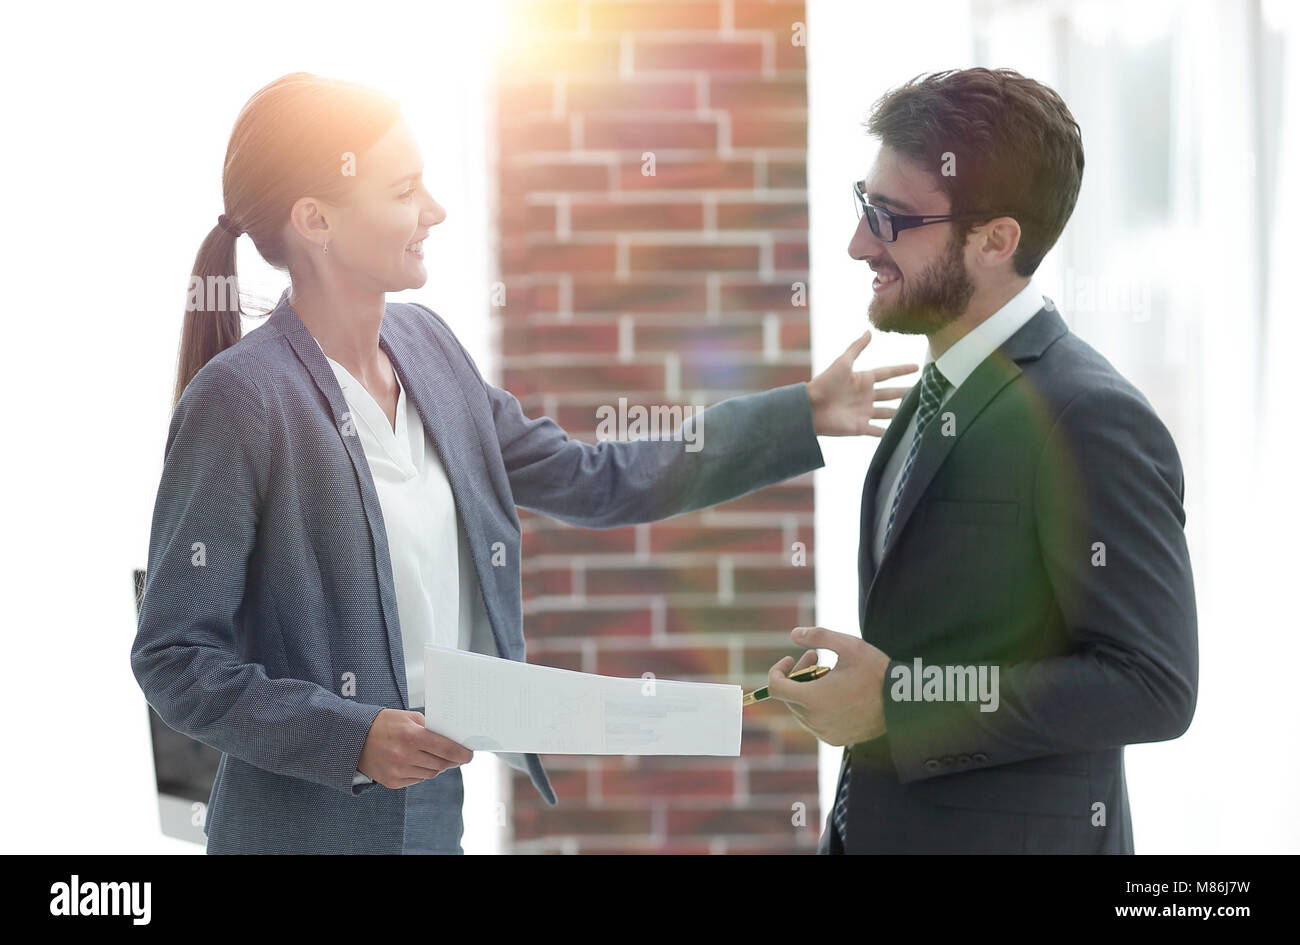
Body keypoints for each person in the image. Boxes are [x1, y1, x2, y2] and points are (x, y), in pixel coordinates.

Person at [130, 72, 918, 854]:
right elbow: (173, 657)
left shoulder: (428, 349)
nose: (433, 211)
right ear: (315, 218)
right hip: (299, 833)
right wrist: (351, 734)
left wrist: (796, 417)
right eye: (404, 190)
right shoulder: (240, 400)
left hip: (434, 812)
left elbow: (593, 477)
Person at [764, 67, 1198, 854]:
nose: (858, 242)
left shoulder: (1092, 416)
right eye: (864, 204)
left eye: (889, 218)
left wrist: (899, 702)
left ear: (997, 240)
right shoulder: (928, 391)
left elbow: (1153, 685)